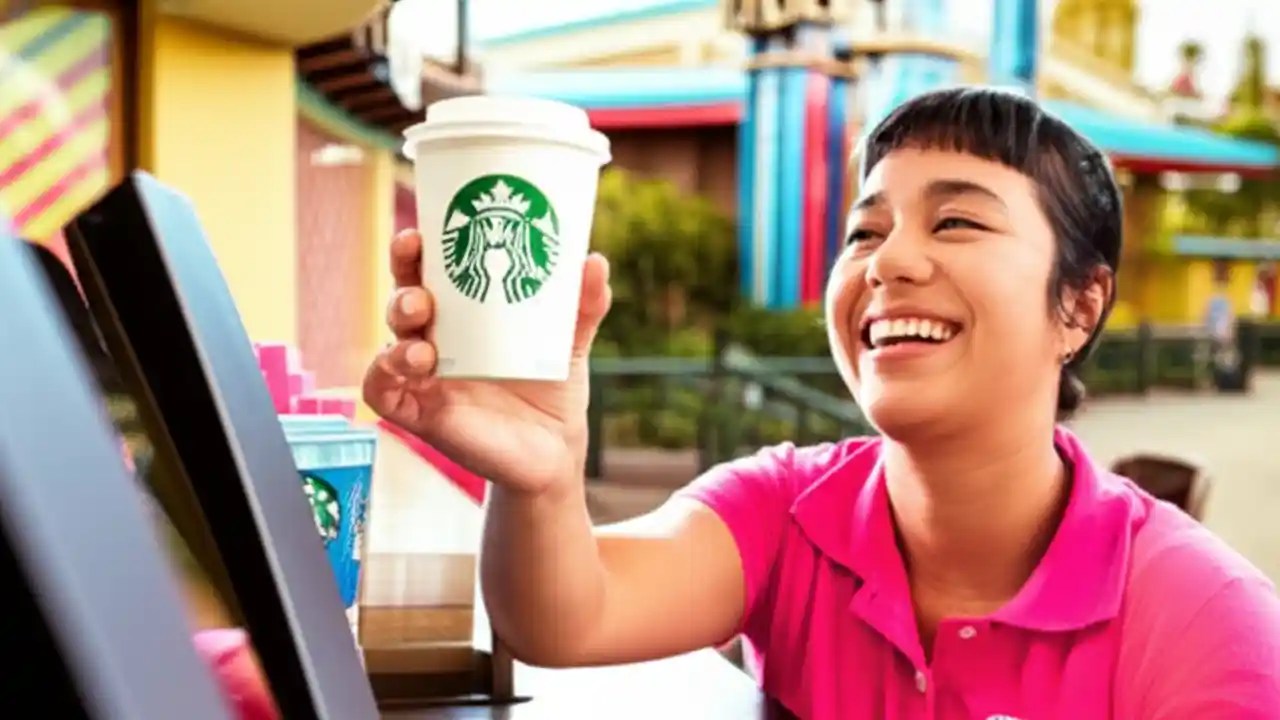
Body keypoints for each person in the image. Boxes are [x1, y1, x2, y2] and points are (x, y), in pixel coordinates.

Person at [365, 87, 1280, 718]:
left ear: (1079, 304)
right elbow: (568, 616)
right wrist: (541, 477)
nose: (888, 262)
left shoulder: (1207, 624)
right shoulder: (786, 512)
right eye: (865, 230)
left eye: (956, 220)